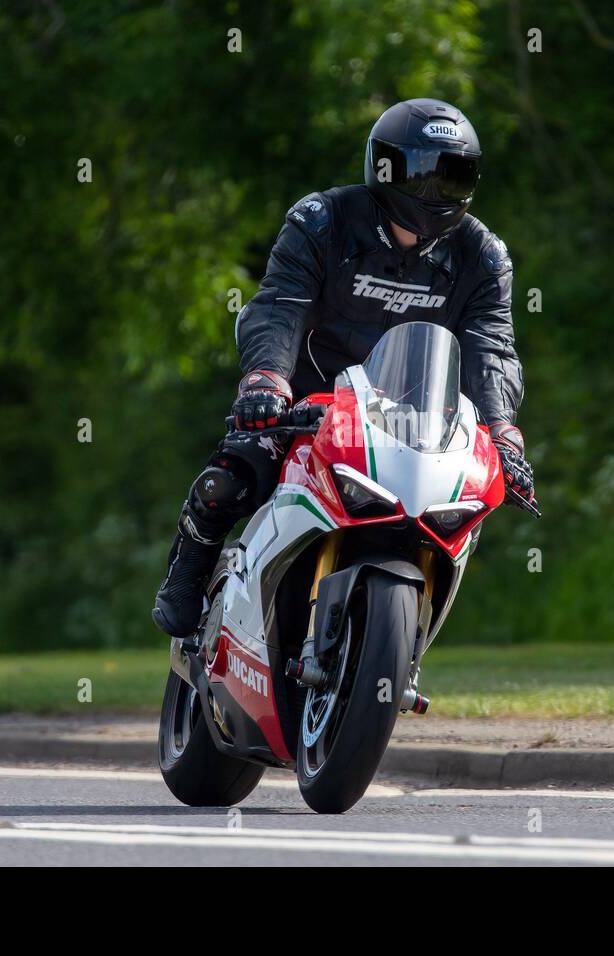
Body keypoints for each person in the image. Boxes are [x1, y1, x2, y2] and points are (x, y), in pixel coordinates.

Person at [152, 97, 534, 637]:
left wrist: (503, 432)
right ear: (384, 168)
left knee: (452, 515)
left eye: (452, 177)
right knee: (228, 481)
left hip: (414, 424)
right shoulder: (323, 219)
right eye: (422, 174)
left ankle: (398, 639)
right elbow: (280, 304)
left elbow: (490, 347)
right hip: (307, 403)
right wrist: (267, 378)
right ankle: (185, 580)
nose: (434, 192)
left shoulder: (484, 256)